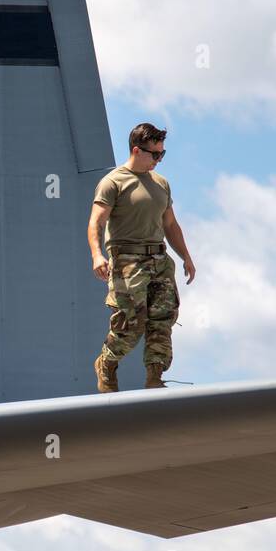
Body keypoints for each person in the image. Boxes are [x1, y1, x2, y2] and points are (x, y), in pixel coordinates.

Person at [86, 123, 195, 391]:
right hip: (127, 261)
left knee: (162, 321)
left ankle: (155, 379)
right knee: (130, 324)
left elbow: (170, 225)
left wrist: (186, 257)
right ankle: (107, 364)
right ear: (137, 150)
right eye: (154, 154)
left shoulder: (161, 184)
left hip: (159, 259)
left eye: (162, 154)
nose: (158, 160)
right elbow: (96, 223)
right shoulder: (113, 182)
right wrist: (97, 255)